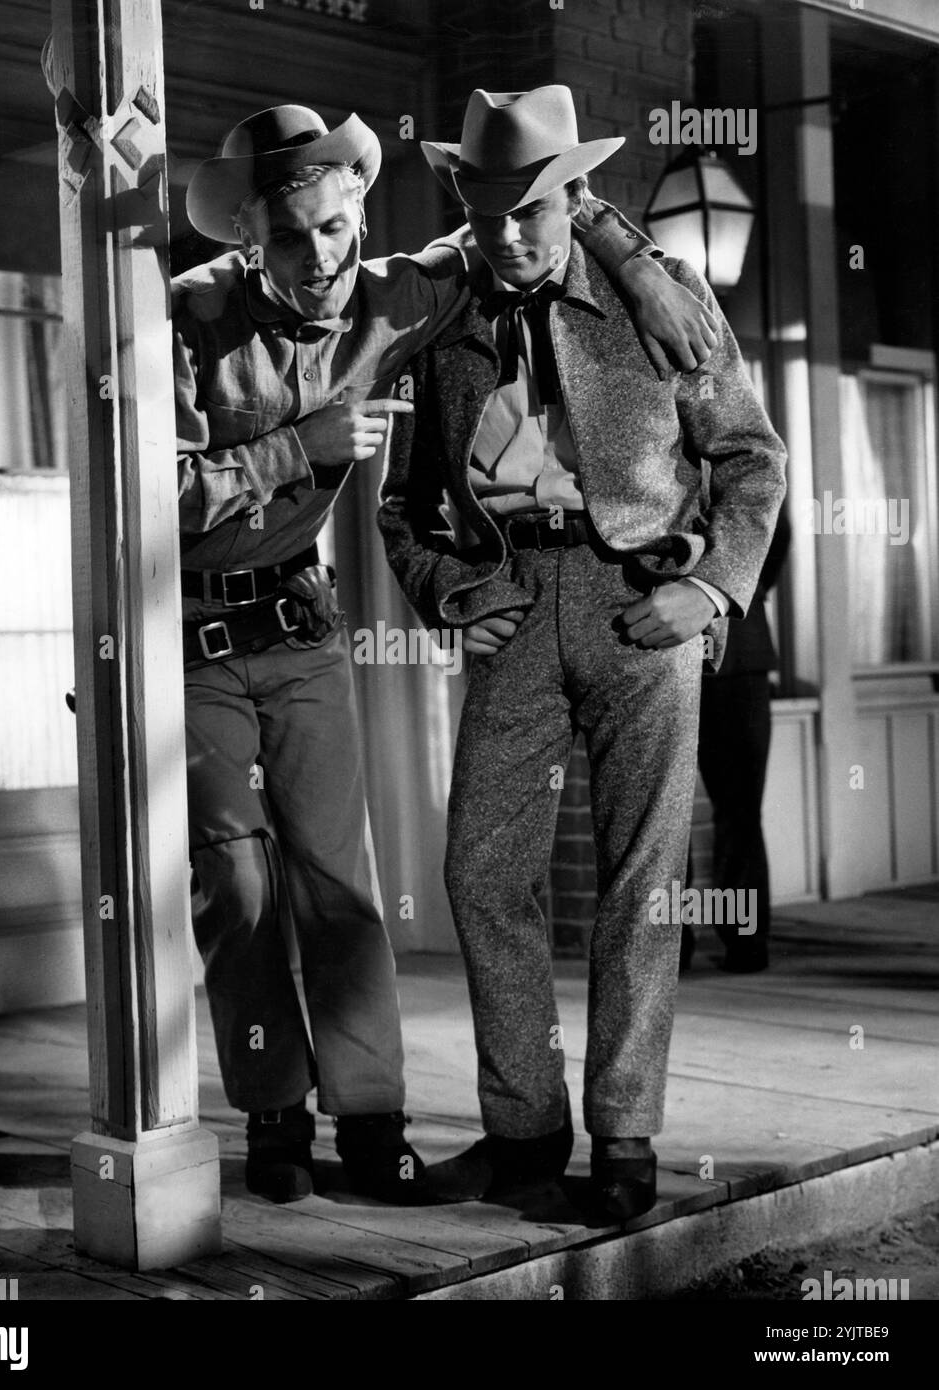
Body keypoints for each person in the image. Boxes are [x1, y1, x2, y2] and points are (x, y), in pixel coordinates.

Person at [173, 99, 718, 1205]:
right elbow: (169, 498)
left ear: (359, 212)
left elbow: (519, 224)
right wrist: (317, 464)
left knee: (363, 886)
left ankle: (441, 1127)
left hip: (359, 619)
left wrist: (639, 256)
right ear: (246, 237)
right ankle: (311, 1117)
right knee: (270, 888)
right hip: (198, 628)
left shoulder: (426, 294)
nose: (321, 256)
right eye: (290, 236)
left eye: (336, 228)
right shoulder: (208, 316)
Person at [377, 85, 787, 1221]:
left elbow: (752, 459)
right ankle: (521, 1133)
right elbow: (400, 511)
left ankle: (625, 1139)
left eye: (536, 210)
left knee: (642, 882)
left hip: (642, 605)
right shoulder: (439, 335)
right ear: (464, 201)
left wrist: (707, 590)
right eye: (490, 210)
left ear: (576, 196)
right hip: (513, 606)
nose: (511, 236)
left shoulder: (664, 303)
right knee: (479, 874)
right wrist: (452, 591)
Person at [683, 507, 792, 974]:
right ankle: (671, 948)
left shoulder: (740, 450)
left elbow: (774, 528)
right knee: (660, 815)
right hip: (657, 652)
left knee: (740, 811)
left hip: (739, 652)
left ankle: (746, 943)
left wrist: (740, 590)